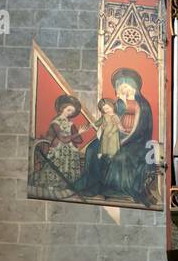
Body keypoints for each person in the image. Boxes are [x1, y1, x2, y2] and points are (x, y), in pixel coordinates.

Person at [77, 67, 156, 205]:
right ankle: (93, 185)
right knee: (92, 149)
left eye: (126, 86)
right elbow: (112, 118)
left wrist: (125, 139)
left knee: (120, 156)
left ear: (134, 86)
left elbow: (139, 128)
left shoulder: (143, 104)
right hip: (116, 134)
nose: (124, 89)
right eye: (120, 86)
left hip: (136, 139)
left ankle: (115, 190)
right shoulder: (118, 102)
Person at [33, 93, 85, 197]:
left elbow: (79, 140)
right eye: (68, 110)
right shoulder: (55, 122)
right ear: (62, 108)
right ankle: (54, 186)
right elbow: (64, 139)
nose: (69, 113)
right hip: (58, 149)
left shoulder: (70, 123)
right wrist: (78, 132)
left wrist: (77, 132)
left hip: (69, 149)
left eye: (72, 112)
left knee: (72, 158)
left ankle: (68, 186)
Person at [94, 97, 122, 161]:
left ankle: (112, 154)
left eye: (108, 108)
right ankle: (103, 153)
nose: (107, 110)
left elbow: (116, 126)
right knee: (104, 143)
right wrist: (94, 124)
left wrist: (111, 133)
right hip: (105, 132)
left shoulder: (115, 116)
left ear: (112, 106)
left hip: (113, 134)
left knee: (112, 144)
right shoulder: (105, 116)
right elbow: (98, 122)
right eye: (105, 109)